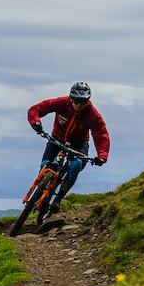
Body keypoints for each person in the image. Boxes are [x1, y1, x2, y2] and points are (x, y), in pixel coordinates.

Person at [27, 81, 110, 214]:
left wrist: (102, 155)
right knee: (45, 165)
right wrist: (36, 122)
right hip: (57, 138)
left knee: (76, 165)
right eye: (76, 100)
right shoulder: (61, 103)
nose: (78, 105)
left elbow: (101, 134)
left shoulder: (93, 115)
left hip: (79, 143)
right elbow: (36, 109)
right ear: (70, 98)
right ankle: (39, 192)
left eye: (82, 102)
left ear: (88, 101)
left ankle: (58, 198)